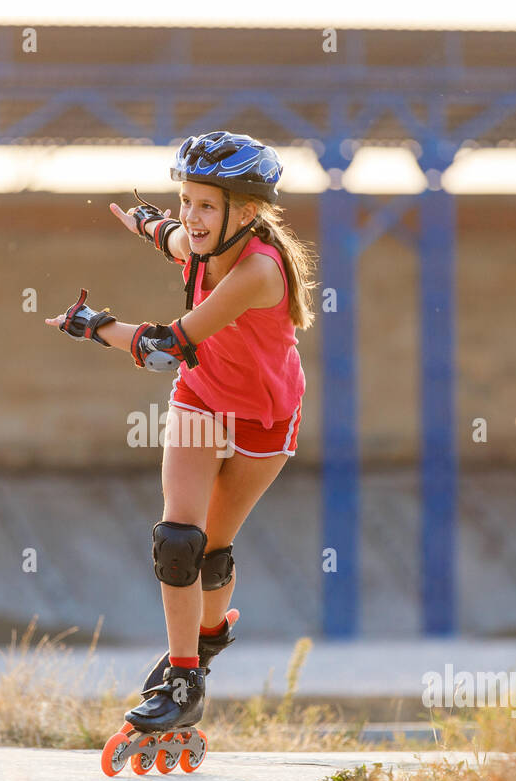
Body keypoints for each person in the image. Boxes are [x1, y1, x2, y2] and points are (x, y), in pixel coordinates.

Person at [46, 130, 317, 737]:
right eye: (185, 200)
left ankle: (209, 636)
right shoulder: (201, 239)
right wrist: (146, 223)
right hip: (201, 395)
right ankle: (183, 681)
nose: (189, 218)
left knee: (215, 550)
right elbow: (172, 238)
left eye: (205, 206)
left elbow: (169, 347)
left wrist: (94, 326)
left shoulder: (257, 273)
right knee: (178, 541)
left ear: (245, 215)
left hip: (264, 416)